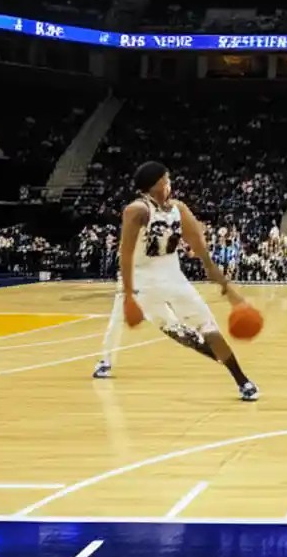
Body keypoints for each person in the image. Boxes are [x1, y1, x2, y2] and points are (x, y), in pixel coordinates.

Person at [93, 161, 259, 401]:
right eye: (166, 179)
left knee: (191, 331)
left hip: (163, 278)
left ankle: (240, 377)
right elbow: (126, 254)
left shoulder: (176, 209)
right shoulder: (138, 210)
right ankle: (242, 380)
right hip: (150, 281)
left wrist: (226, 287)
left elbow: (200, 248)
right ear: (157, 184)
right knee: (200, 329)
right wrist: (129, 295)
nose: (170, 183)